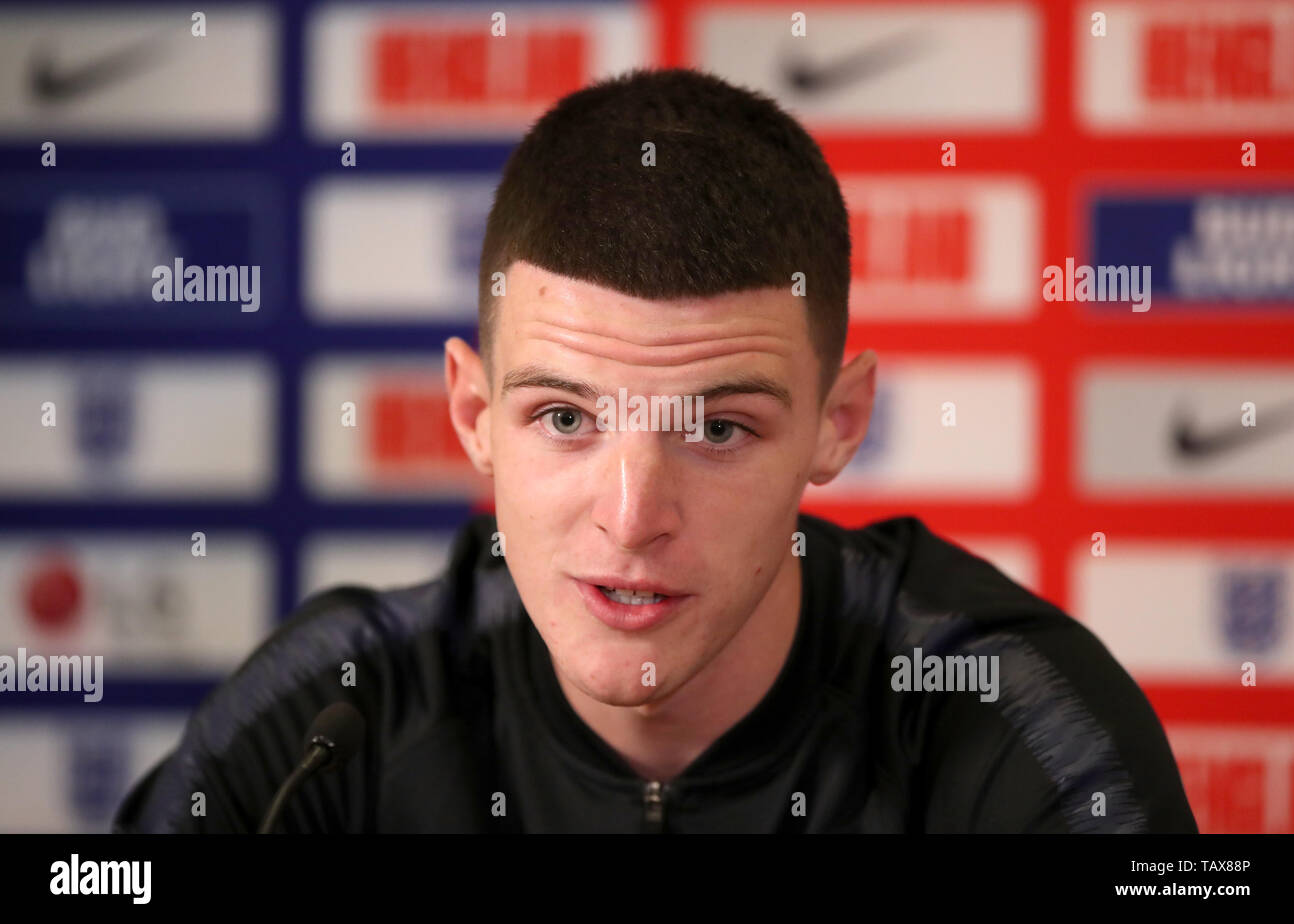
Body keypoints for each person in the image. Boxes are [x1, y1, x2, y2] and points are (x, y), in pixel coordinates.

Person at [114, 67, 1197, 833]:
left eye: (719, 429)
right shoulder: (332, 721)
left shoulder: (1010, 726)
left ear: (839, 422)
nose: (632, 516)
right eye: (566, 420)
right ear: (473, 412)